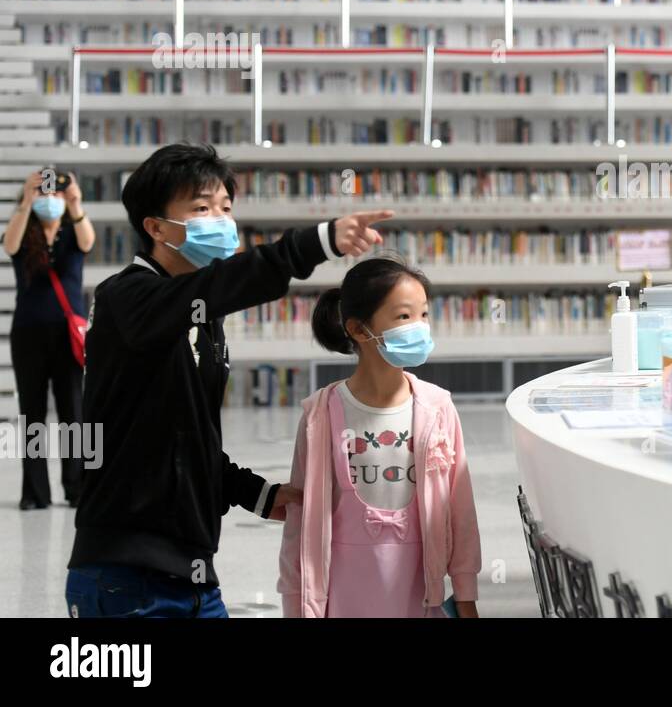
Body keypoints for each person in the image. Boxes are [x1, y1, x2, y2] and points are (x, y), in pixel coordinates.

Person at [65, 142, 393, 618]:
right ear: (155, 227)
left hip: (195, 575)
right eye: (201, 208)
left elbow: (186, 437)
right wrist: (314, 244)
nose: (220, 219)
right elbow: (219, 285)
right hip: (125, 578)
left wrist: (257, 494)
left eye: (225, 207)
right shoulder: (127, 298)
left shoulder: (204, 319)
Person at [278, 256, 481, 618]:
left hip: (419, 598)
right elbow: (300, 523)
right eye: (404, 316)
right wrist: (297, 606)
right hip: (343, 600)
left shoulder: (439, 408)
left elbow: (461, 512)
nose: (419, 327)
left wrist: (466, 598)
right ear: (358, 329)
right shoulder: (320, 415)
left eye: (424, 315)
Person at [3, 169, 95, 510]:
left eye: (54, 194)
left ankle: (77, 488)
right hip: (28, 332)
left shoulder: (73, 233)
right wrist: (27, 200)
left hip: (68, 335)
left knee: (74, 412)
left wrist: (75, 201)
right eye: (44, 194)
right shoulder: (23, 234)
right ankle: (34, 493)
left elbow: (89, 241)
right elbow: (8, 245)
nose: (50, 201)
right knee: (32, 414)